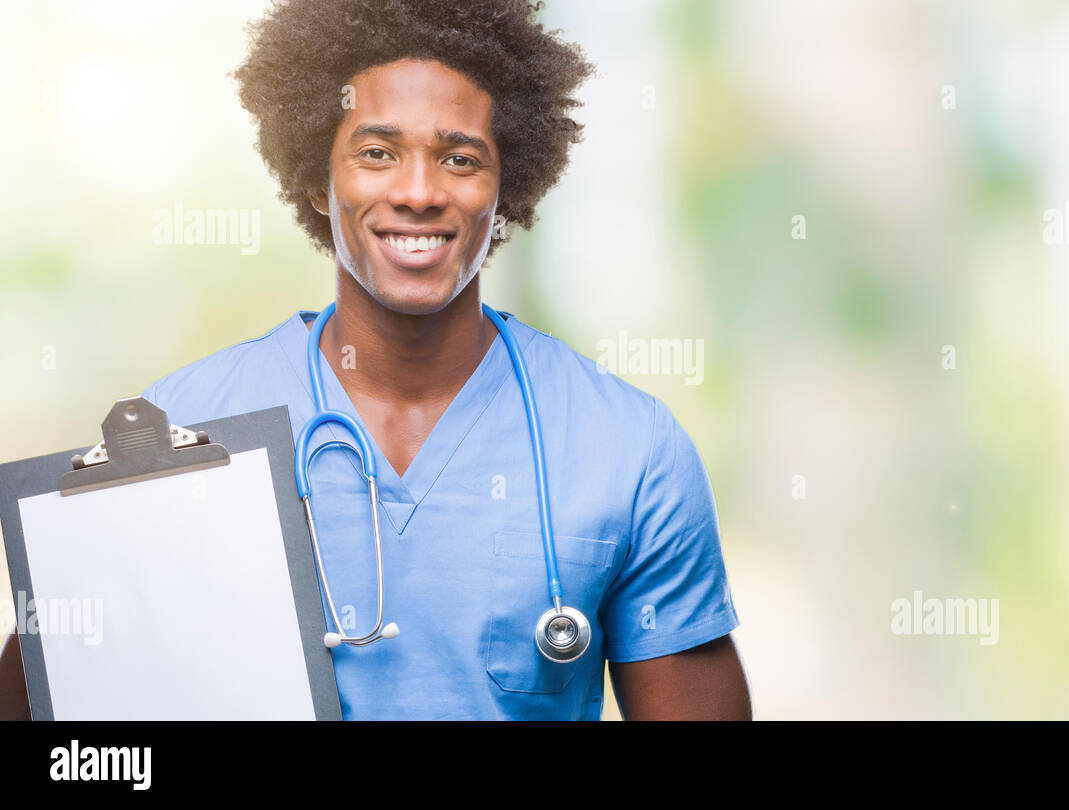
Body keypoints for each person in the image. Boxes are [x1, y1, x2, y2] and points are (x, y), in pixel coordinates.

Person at [1, 0, 750, 721]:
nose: (419, 192)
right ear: (318, 178)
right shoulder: (181, 433)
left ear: (507, 184)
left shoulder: (629, 448)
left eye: (460, 158)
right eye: (376, 152)